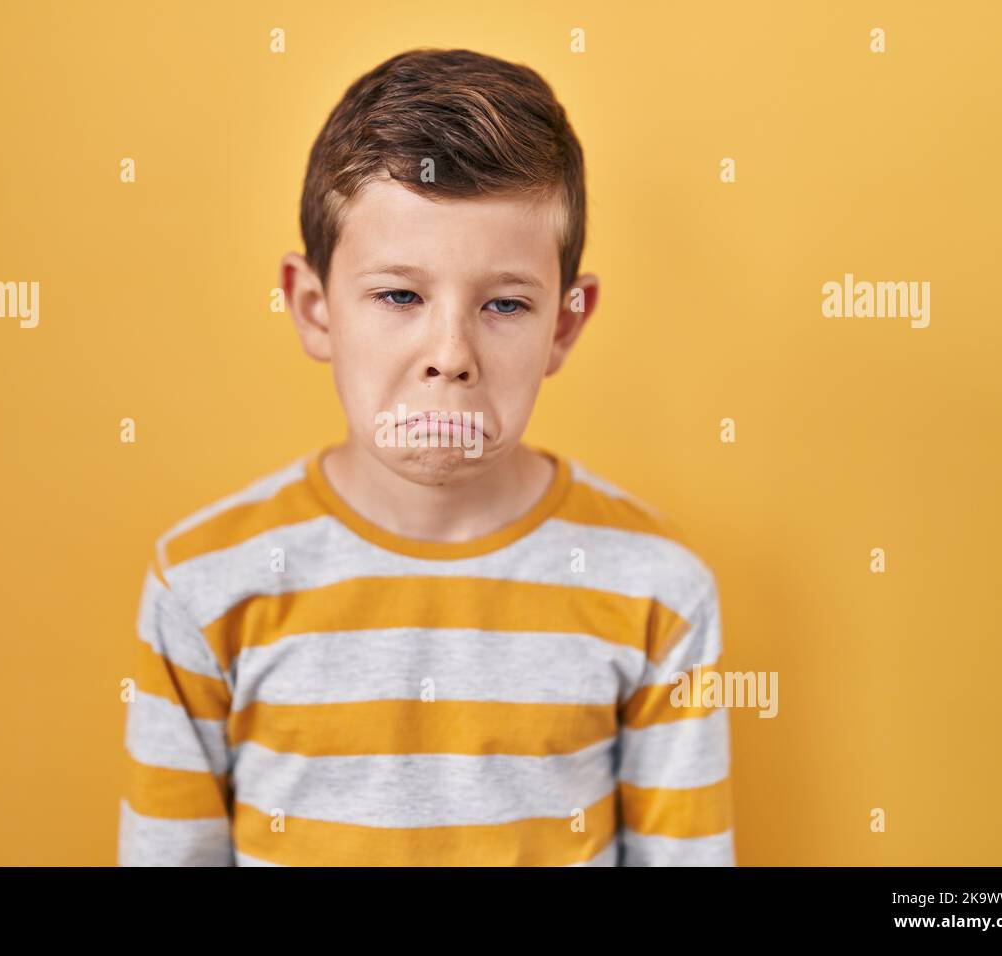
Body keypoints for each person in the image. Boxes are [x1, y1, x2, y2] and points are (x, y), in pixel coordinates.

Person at [118, 47, 734, 866]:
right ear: (315, 308)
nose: (451, 354)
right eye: (400, 295)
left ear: (564, 324)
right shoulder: (202, 587)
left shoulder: (657, 590)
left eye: (505, 303)